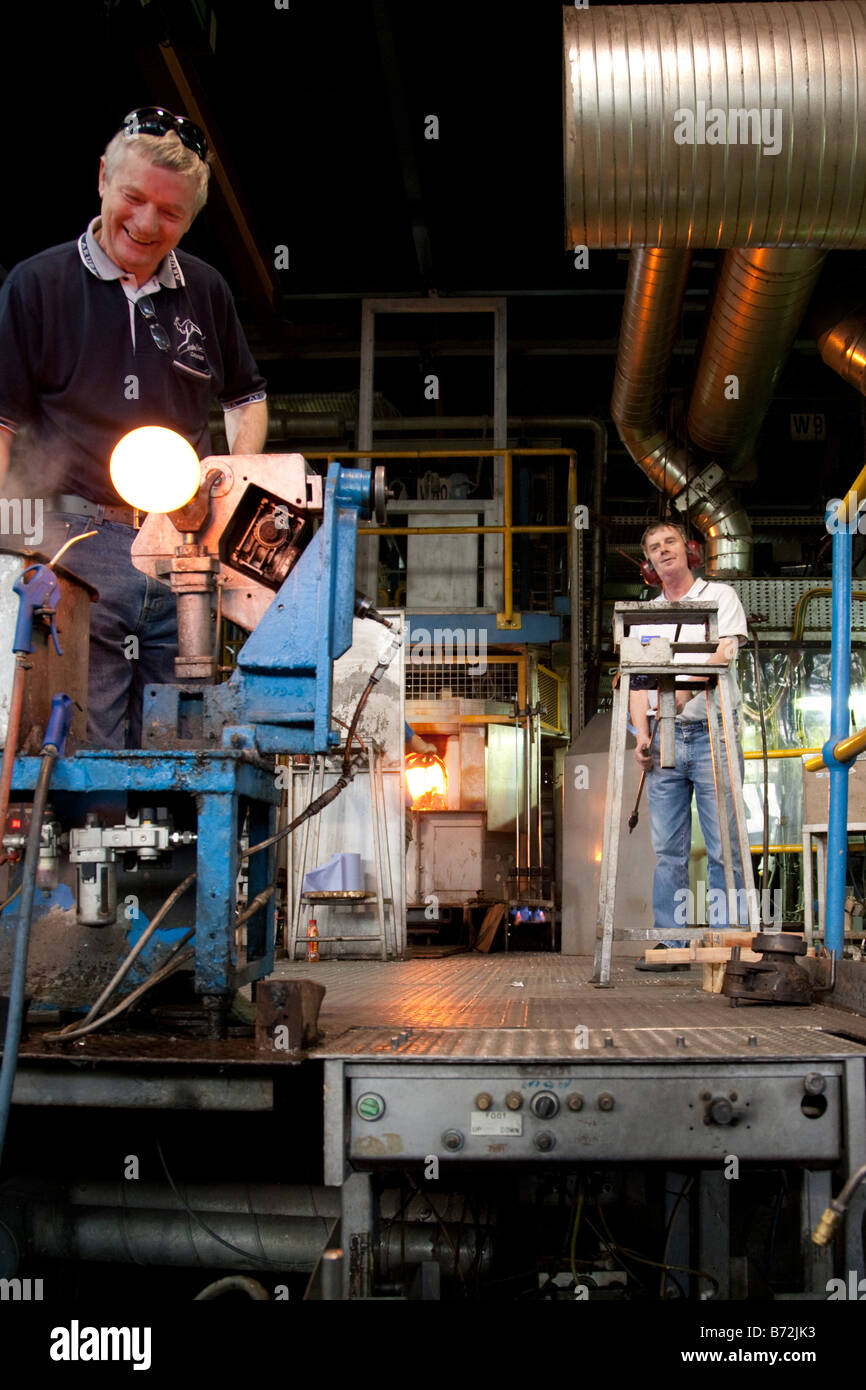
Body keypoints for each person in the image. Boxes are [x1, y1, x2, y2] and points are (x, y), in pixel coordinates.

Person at [0, 107, 268, 748]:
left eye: (171, 214)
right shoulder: (37, 286)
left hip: (183, 549)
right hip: (73, 552)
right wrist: (10, 546)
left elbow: (246, 401)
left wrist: (231, 498)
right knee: (76, 750)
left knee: (187, 747)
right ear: (102, 179)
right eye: (134, 198)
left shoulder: (204, 291)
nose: (148, 225)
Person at [629, 520, 749, 970]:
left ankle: (728, 940)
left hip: (713, 731)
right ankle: (674, 943)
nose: (664, 551)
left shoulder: (720, 598)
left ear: (689, 550)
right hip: (664, 737)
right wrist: (642, 733)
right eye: (655, 548)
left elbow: (722, 655)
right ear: (649, 562)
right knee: (669, 851)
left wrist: (675, 696)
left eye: (670, 542)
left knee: (724, 847)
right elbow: (637, 679)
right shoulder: (646, 614)